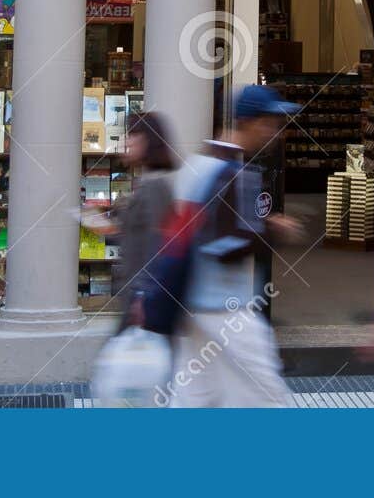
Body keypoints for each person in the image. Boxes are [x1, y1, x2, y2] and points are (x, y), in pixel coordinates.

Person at [170, 85, 303, 407]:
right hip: (229, 312)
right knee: (269, 400)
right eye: (271, 123)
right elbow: (225, 246)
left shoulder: (196, 165)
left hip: (191, 305)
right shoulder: (237, 174)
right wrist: (272, 231)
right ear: (250, 122)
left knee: (195, 399)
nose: (276, 133)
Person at [94, 111, 179, 319]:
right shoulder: (146, 182)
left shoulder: (155, 186)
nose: (126, 141)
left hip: (142, 305)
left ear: (148, 141)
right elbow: (137, 235)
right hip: (134, 299)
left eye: (132, 135)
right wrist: (108, 227)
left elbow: (158, 245)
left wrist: (143, 296)